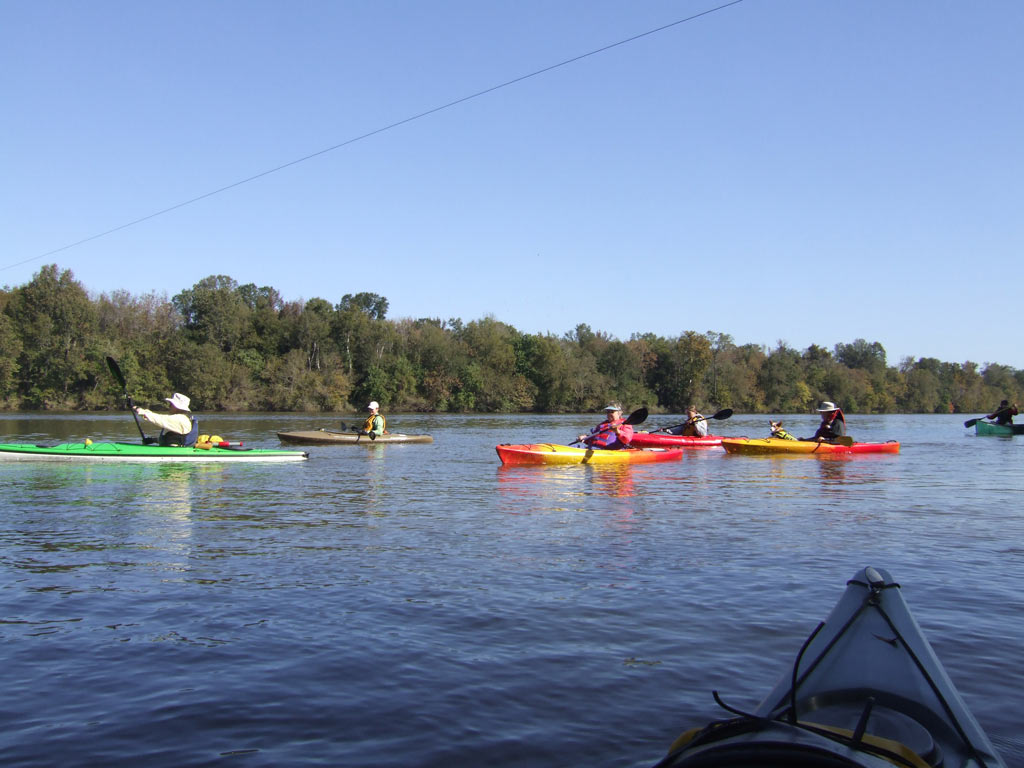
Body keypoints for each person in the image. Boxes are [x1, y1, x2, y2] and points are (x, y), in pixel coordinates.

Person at [133, 392, 198, 446]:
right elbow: (172, 437)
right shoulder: (181, 418)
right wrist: (153, 440)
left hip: (174, 452)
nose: (169, 406)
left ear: (177, 407)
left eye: (171, 404)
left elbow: (158, 418)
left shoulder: (180, 419)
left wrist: (138, 410)